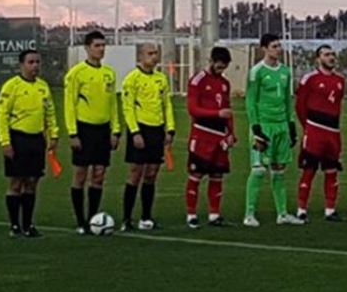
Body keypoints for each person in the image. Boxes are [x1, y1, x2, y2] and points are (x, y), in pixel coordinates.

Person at [0, 49, 59, 237]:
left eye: (37, 62)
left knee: (32, 182)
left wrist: (53, 135)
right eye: (31, 62)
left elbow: (50, 112)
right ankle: (14, 225)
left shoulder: (43, 87)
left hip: (37, 139)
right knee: (16, 182)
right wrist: (5, 142)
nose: (35, 66)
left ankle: (28, 225)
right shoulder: (11, 86)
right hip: (18, 138)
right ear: (21, 65)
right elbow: (1, 115)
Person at [243, 34, 304, 227]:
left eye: (279, 46)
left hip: (281, 126)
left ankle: (282, 214)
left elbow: (287, 100)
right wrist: (256, 127)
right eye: (274, 46)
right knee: (259, 170)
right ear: (264, 48)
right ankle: (249, 215)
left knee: (279, 170)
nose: (278, 49)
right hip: (264, 125)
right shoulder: (257, 71)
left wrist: (291, 125)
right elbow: (250, 100)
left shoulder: (285, 71)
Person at [64, 31, 120, 234]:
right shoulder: (76, 73)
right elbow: (69, 105)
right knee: (80, 174)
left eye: (103, 45)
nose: (101, 49)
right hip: (84, 129)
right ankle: (80, 221)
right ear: (87, 48)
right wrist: (73, 133)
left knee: (99, 175)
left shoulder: (109, 73)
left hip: (103, 130)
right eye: (97, 45)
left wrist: (115, 130)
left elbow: (113, 103)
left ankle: (93, 219)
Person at [120, 43, 175, 231]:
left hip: (157, 129)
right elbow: (127, 108)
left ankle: (146, 217)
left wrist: (170, 129)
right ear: (141, 56)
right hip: (140, 129)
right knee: (135, 173)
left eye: (156, 53)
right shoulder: (132, 79)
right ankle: (127, 219)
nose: (154, 57)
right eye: (150, 53)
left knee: (152, 174)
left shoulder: (161, 79)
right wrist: (135, 132)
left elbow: (167, 104)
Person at [185, 46, 236, 229]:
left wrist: (231, 133)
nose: (221, 70)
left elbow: (228, 110)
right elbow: (192, 109)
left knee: (217, 175)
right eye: (219, 66)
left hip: (219, 137)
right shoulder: (198, 80)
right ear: (211, 61)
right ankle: (191, 214)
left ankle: (214, 214)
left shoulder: (225, 83)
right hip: (202, 134)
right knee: (196, 174)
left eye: (224, 67)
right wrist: (216, 113)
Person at [295, 45, 345, 222]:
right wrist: (307, 127)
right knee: (309, 170)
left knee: (332, 171)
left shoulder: (340, 80)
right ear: (318, 58)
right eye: (326, 54)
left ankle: (330, 210)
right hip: (315, 131)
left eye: (332, 54)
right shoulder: (309, 79)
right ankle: (301, 210)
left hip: (333, 133)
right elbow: (300, 106)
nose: (331, 57)